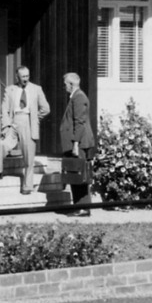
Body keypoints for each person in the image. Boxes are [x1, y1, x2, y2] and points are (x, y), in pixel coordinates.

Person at [0, 66, 50, 195]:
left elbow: (46, 108)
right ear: (17, 77)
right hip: (13, 122)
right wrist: (6, 126)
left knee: (28, 157)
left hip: (28, 121)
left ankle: (27, 186)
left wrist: (34, 118)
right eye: (23, 77)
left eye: (27, 76)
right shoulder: (10, 89)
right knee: (2, 145)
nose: (26, 79)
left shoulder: (36, 89)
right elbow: (4, 109)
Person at [58, 71, 95, 213]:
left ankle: (83, 208)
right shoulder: (75, 97)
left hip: (79, 143)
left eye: (65, 84)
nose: (64, 87)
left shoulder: (79, 98)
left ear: (71, 84)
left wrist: (75, 144)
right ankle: (80, 207)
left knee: (80, 175)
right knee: (76, 174)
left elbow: (79, 122)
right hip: (77, 142)